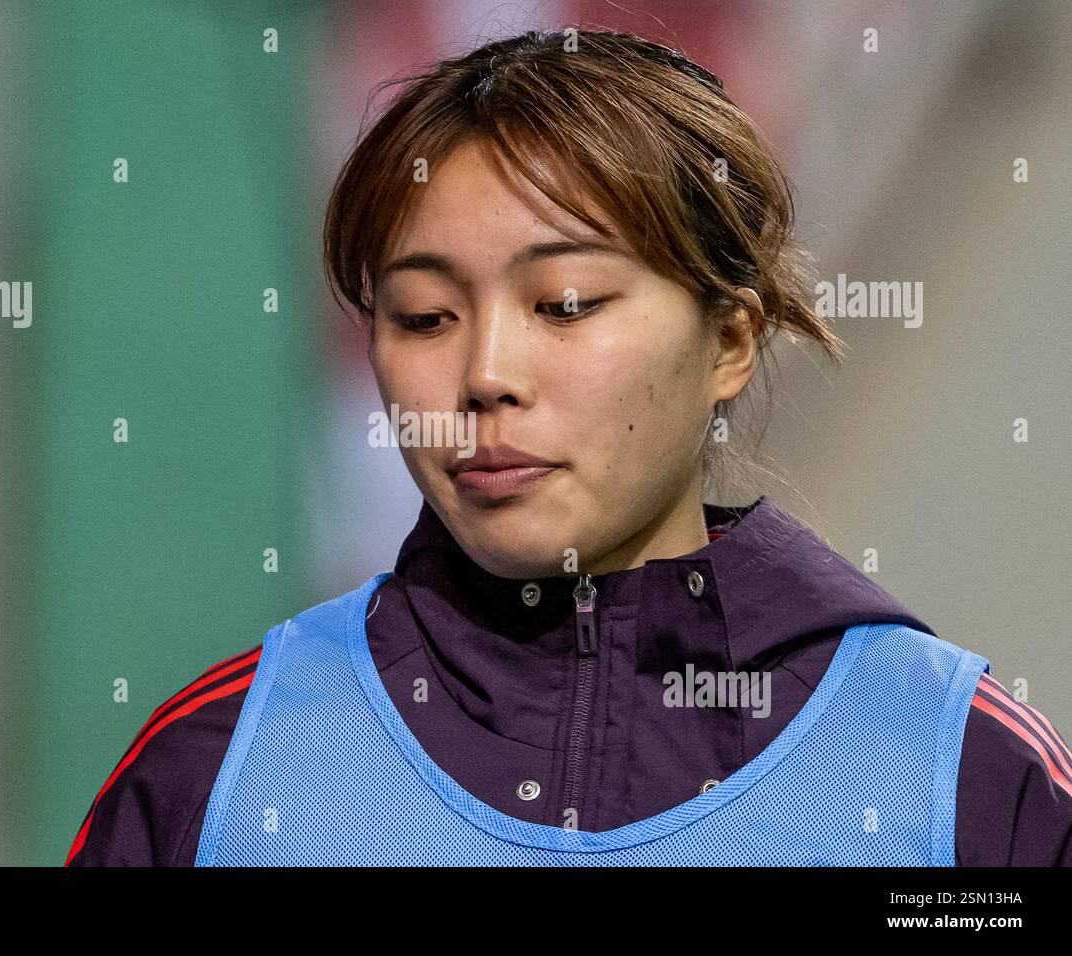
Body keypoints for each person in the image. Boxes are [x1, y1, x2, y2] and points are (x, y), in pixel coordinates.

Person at [65, 28, 1072, 866]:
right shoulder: (215, 777)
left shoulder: (958, 780)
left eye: (566, 303)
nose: (485, 373)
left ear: (728, 340)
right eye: (422, 314)